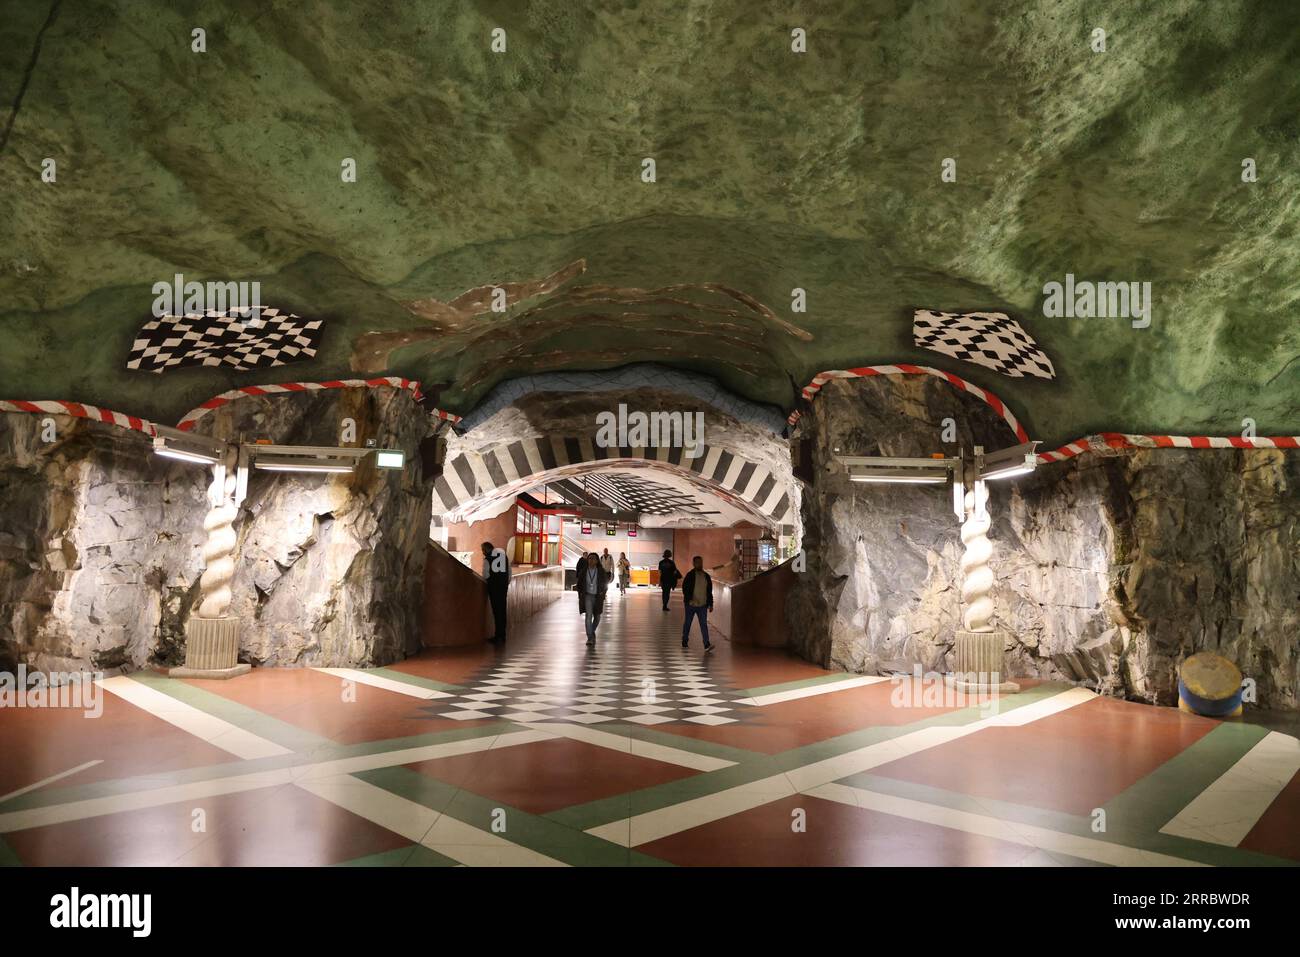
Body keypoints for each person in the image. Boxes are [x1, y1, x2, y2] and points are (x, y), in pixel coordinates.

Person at [680, 555, 714, 652]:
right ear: (694, 564)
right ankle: (685, 640)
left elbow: (709, 591)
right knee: (688, 622)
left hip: (703, 605)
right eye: (697, 562)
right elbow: (685, 588)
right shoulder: (690, 575)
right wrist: (689, 599)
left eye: (701, 562)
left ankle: (706, 644)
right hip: (690, 604)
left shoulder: (706, 576)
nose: (700, 564)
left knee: (703, 624)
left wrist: (711, 604)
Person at [480, 541, 511, 644]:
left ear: (486, 549)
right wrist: (505, 583)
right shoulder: (503, 556)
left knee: (496, 612)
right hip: (503, 587)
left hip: (494, 588)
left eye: (483, 550)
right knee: (502, 611)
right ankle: (502, 636)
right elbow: (509, 572)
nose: (483, 552)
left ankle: (498, 636)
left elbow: (485, 575)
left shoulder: (488, 559)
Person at [577, 552, 610, 646]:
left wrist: (602, 594)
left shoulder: (600, 571)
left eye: (593, 559)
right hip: (587, 596)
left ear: (596, 561)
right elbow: (579, 584)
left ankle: (591, 631)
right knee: (588, 616)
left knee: (597, 617)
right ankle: (590, 638)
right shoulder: (584, 571)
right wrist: (581, 595)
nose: (591, 560)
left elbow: (605, 584)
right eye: (589, 558)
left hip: (598, 596)